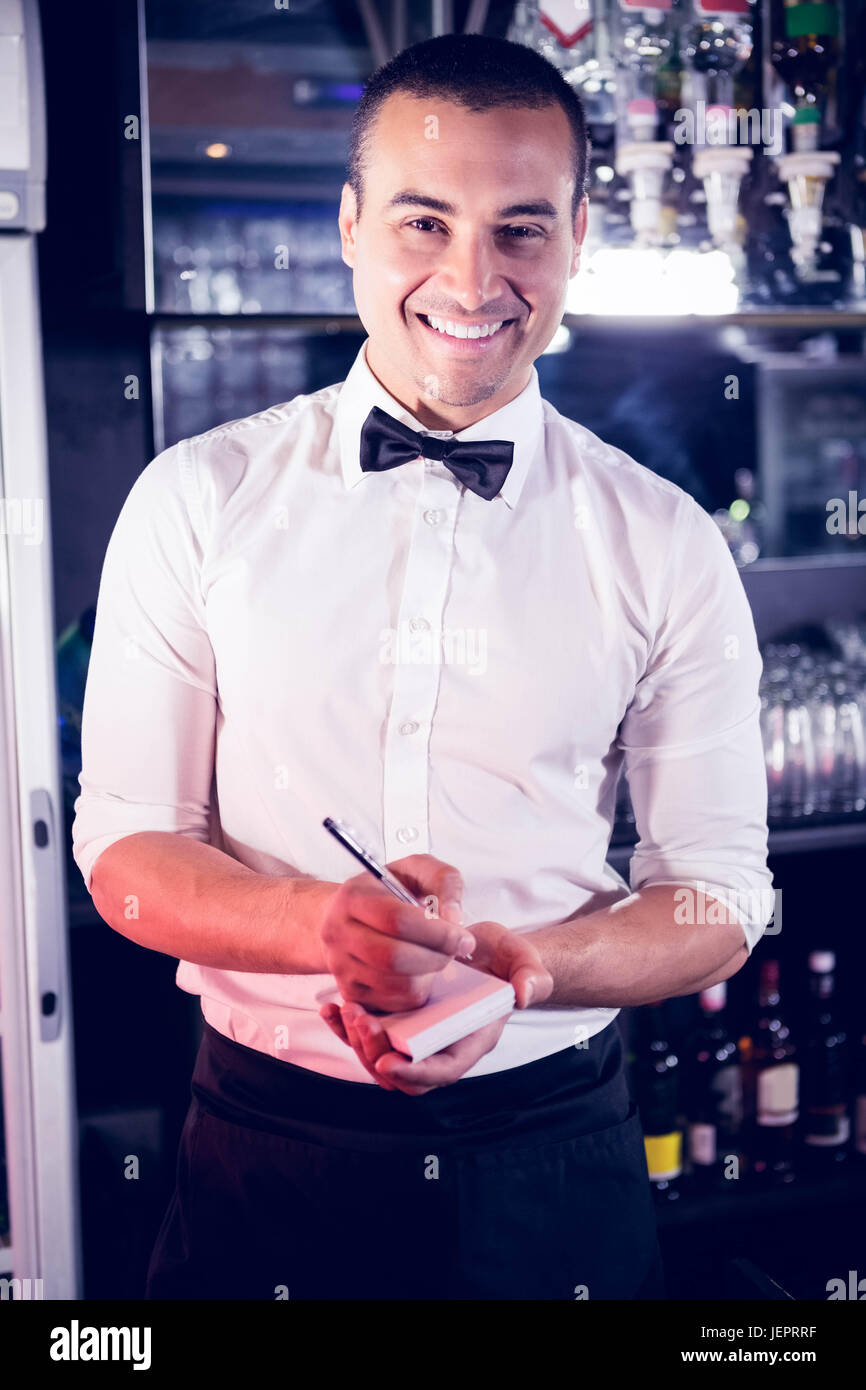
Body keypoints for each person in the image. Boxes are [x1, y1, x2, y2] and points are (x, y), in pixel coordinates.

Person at [72, 32, 773, 1301]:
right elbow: (126, 852)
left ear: (575, 242)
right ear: (349, 226)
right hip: (261, 1146)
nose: (471, 277)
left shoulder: (664, 538)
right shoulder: (196, 498)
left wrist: (530, 966)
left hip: (553, 1152)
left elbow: (718, 900)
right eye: (422, 222)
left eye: (520, 229)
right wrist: (321, 926)